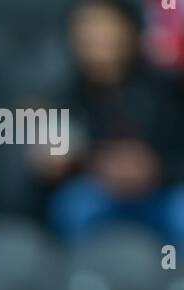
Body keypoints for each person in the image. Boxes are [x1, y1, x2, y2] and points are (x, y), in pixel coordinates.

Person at [39, 0, 184, 242]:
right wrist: (89, 165)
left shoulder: (167, 89)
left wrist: (155, 168)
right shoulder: (64, 96)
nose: (97, 37)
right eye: (87, 28)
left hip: (161, 192)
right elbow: (51, 166)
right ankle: (84, 277)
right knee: (74, 205)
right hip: (98, 193)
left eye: (106, 25)